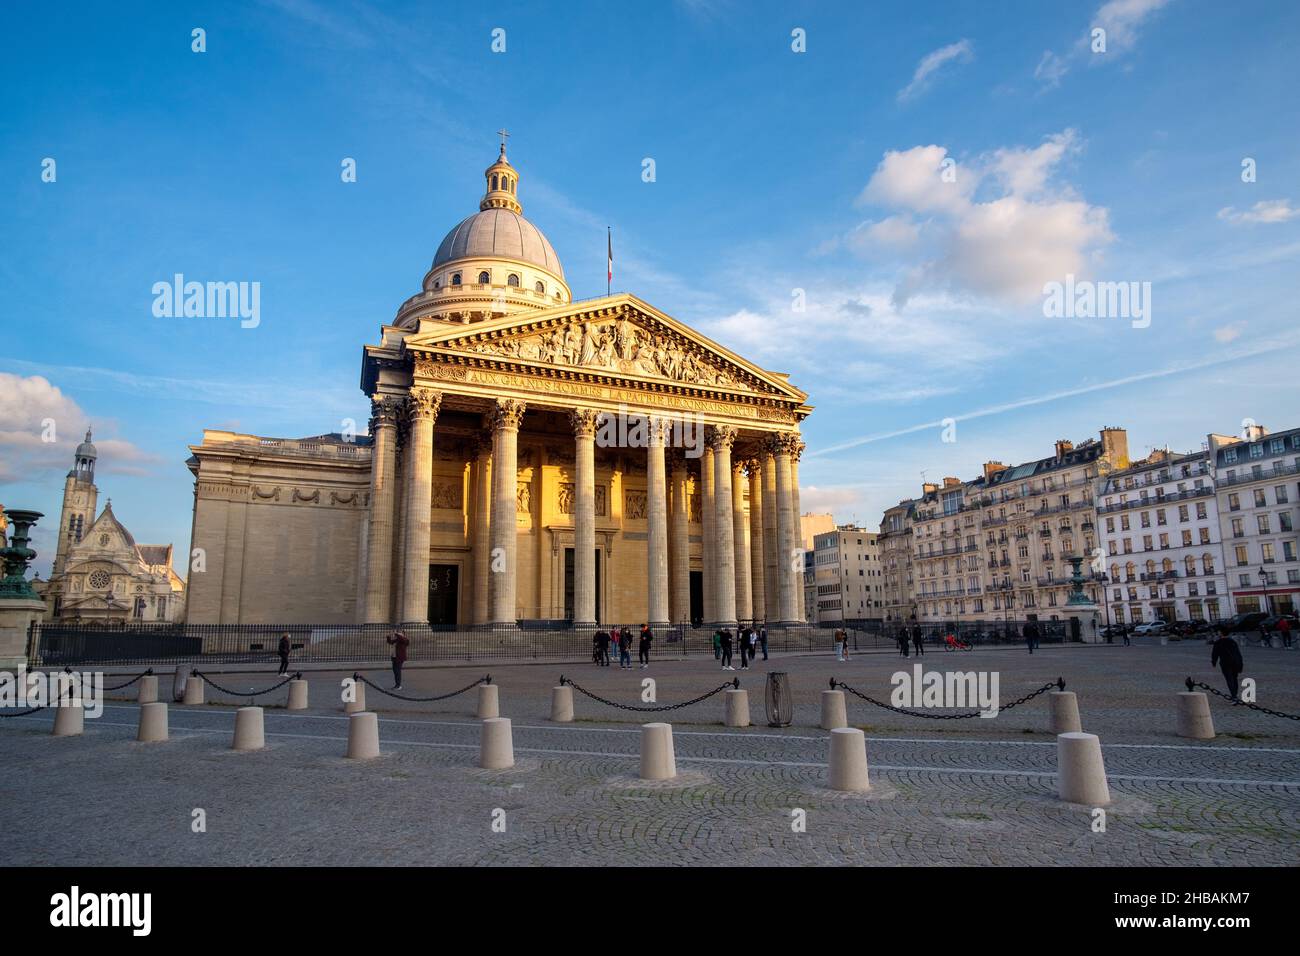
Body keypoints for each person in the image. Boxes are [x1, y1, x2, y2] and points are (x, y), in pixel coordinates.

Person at [1210, 632, 1244, 699]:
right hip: (1235, 662)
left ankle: (1234, 695)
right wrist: (1241, 664)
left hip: (1225, 663)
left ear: (1221, 633)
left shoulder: (1218, 642)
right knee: (1234, 679)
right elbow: (1238, 653)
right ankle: (1235, 694)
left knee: (1229, 679)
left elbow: (1215, 653)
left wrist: (1214, 662)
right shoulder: (1232, 641)